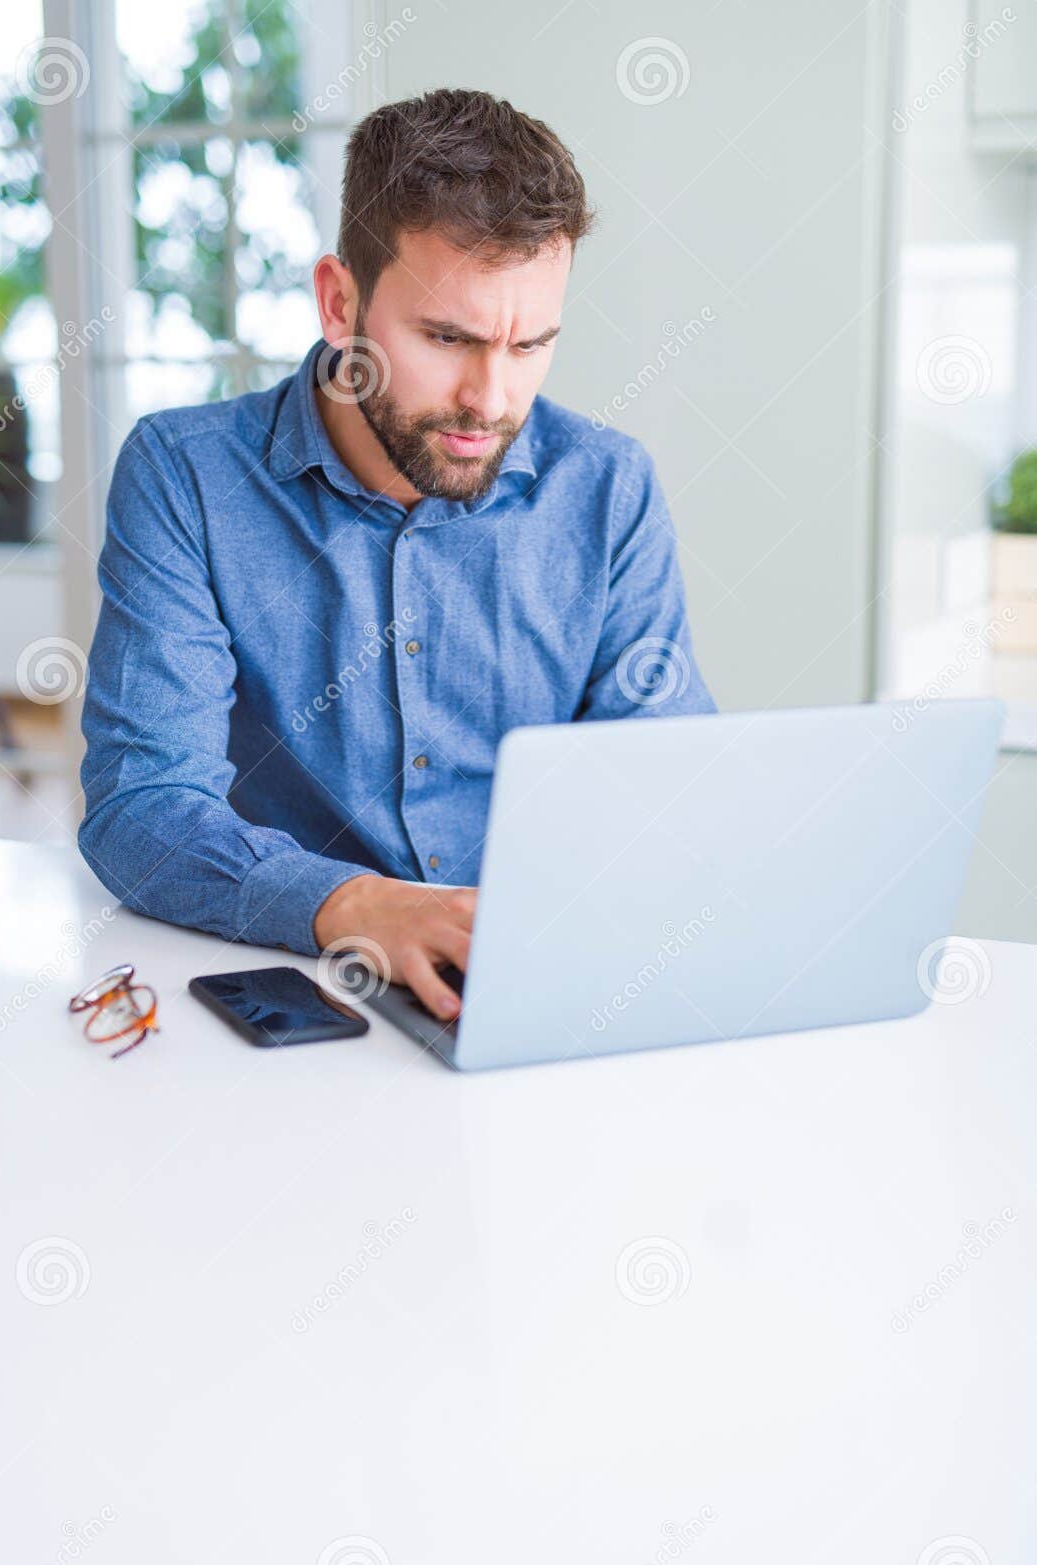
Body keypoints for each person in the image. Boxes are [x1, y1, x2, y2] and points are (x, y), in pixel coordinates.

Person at [79, 87, 715, 1022]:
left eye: (531, 342)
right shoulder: (187, 476)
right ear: (341, 303)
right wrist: (355, 905)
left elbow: (662, 783)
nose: (489, 399)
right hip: (299, 991)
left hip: (537, 988)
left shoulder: (607, 489)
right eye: (445, 338)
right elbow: (141, 808)